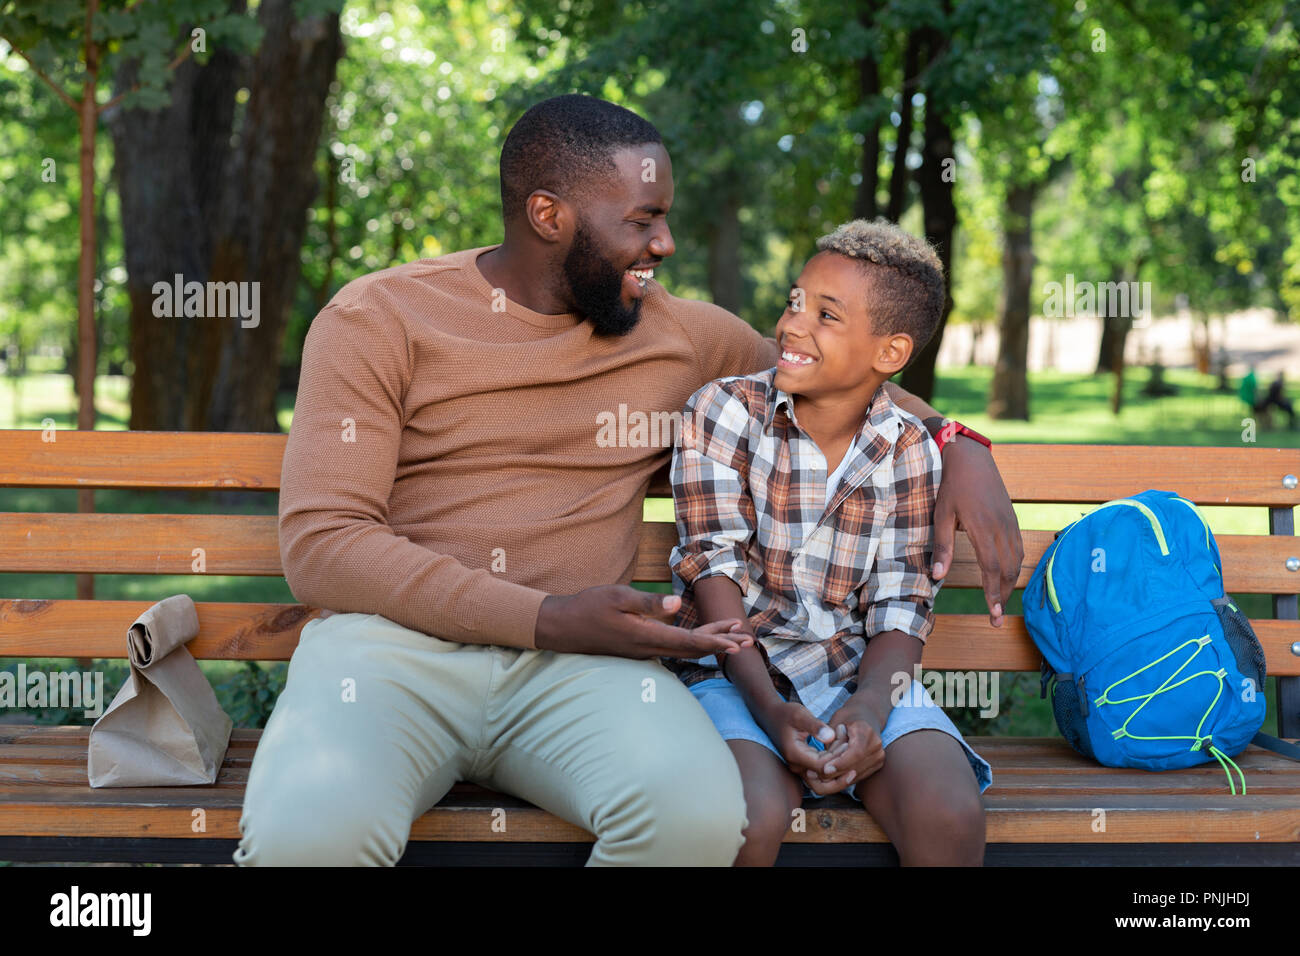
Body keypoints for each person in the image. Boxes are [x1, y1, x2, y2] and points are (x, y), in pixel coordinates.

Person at [233, 94, 1022, 867]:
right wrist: (545, 615)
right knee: (310, 838)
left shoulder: (681, 334)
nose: (665, 244)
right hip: (392, 655)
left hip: (585, 672)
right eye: (642, 221)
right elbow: (325, 546)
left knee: (700, 820)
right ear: (550, 216)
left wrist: (961, 442)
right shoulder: (380, 318)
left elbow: (845, 384)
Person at [665, 220, 991, 866]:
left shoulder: (908, 453)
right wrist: (769, 709)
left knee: (948, 811)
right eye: (794, 301)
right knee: (746, 815)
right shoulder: (723, 413)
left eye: (826, 315)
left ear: (890, 354)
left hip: (854, 672)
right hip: (733, 673)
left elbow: (902, 608)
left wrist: (869, 711)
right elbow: (714, 572)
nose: (791, 326)